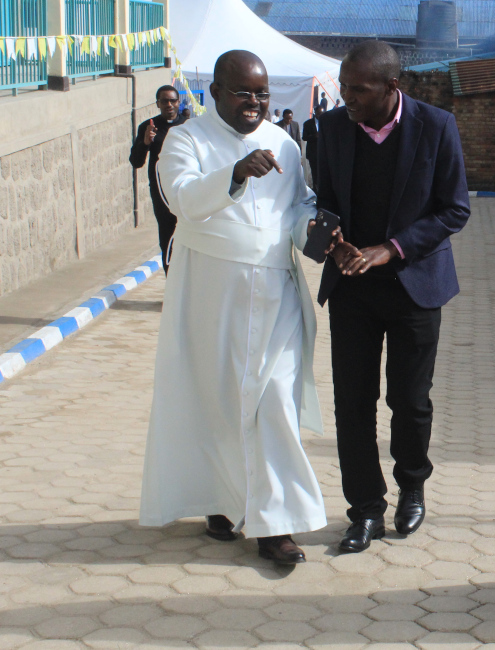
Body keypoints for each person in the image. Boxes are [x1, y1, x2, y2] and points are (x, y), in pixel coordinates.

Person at [140, 50, 330, 567]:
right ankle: (223, 501)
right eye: (244, 92)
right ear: (215, 92)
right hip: (212, 291)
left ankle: (278, 526)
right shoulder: (186, 139)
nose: (255, 102)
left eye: (263, 93)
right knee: (218, 402)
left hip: (275, 293)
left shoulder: (284, 143)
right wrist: (235, 173)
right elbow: (179, 198)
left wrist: (314, 231)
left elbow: (296, 208)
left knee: (274, 404)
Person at [314, 40, 470, 554]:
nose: (347, 97)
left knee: (409, 400)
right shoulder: (331, 129)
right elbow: (324, 203)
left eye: (358, 89)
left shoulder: (436, 126)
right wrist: (333, 245)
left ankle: (412, 487)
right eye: (343, 87)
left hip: (415, 288)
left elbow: (455, 210)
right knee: (352, 403)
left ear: (391, 87)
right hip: (352, 291)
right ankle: (364, 510)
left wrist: (392, 248)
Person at [129, 85, 187, 273]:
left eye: (172, 100)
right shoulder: (148, 126)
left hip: (187, 190)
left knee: (189, 237)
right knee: (168, 236)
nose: (168, 105)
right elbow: (136, 162)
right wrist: (145, 143)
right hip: (161, 193)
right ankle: (170, 283)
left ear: (178, 102)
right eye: (164, 101)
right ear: (158, 104)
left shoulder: (189, 126)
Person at [302, 105, 324, 187]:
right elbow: (304, 137)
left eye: (322, 114)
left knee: (323, 173)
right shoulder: (308, 123)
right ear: (315, 113)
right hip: (313, 153)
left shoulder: (326, 123)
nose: (320, 116)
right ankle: (315, 191)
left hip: (324, 153)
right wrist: (314, 136)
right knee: (315, 174)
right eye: (319, 114)